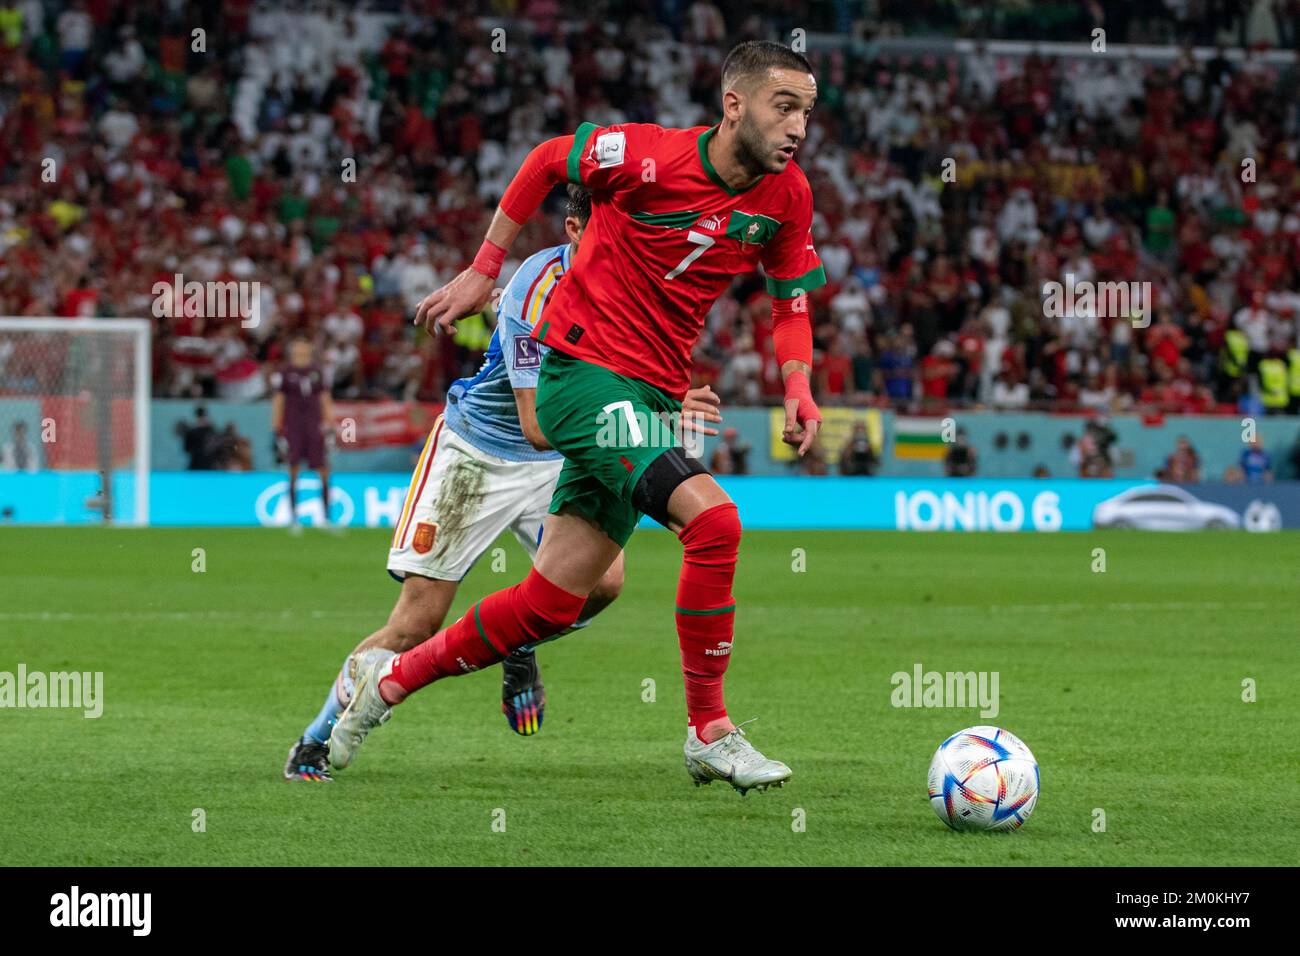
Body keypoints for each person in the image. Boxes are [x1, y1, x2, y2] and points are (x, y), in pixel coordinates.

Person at [330, 40, 824, 795]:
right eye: (783, 107)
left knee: (549, 602)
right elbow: (545, 160)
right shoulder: (647, 155)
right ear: (734, 105)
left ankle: (388, 683)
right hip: (581, 378)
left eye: (806, 113)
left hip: (650, 394)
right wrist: (484, 268)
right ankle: (710, 731)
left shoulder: (787, 197)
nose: (797, 128)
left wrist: (799, 386)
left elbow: (790, 301)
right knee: (715, 523)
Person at [284, 187, 722, 780]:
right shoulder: (534, 288)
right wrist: (652, 418)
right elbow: (537, 427)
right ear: (574, 229)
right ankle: (316, 737)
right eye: (608, 229)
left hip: (558, 457)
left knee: (604, 584)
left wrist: (665, 400)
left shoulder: (633, 283)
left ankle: (519, 642)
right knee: (416, 623)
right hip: (479, 453)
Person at [269, 336, 334, 530]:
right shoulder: (285, 372)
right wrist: (276, 426)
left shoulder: (317, 372)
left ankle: (326, 518)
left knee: (323, 468)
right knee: (293, 469)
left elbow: (324, 398)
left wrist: (330, 423)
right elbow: (279, 400)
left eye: (304, 349)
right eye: (297, 349)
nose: (301, 352)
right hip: (294, 427)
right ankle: (293, 518)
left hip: (314, 426)